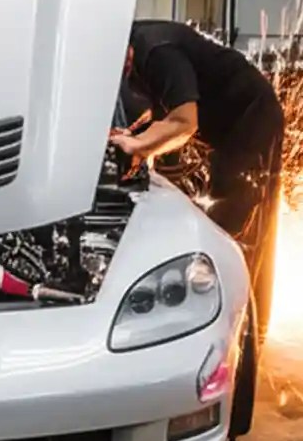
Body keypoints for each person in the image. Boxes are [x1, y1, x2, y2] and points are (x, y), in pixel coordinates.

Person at [110, 20, 285, 336]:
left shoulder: (156, 51)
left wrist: (137, 145)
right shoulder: (135, 53)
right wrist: (129, 136)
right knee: (219, 211)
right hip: (225, 130)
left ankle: (243, 332)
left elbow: (184, 121)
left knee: (234, 223)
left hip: (252, 118)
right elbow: (155, 110)